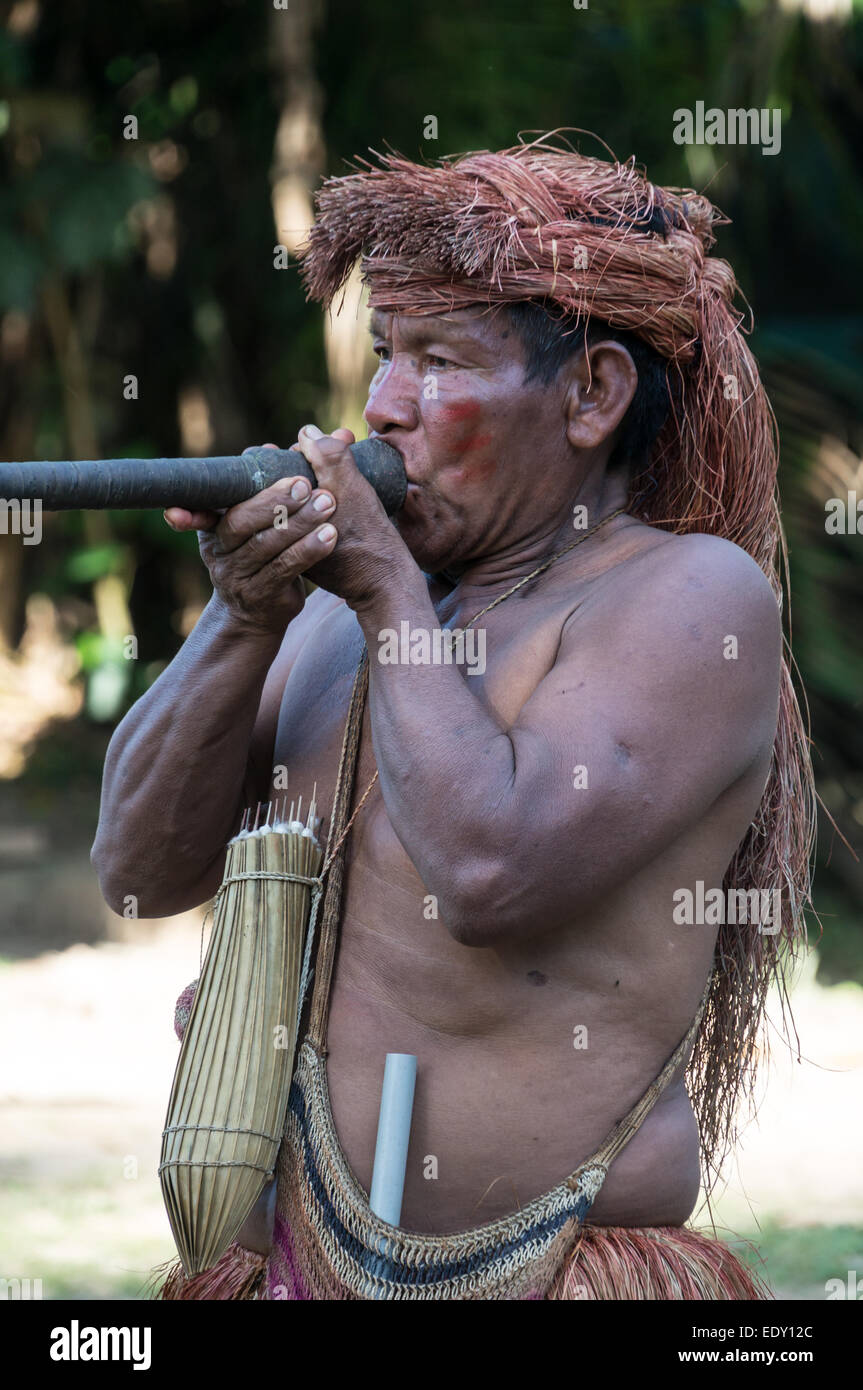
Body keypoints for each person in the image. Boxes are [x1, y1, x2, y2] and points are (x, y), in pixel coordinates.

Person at [92, 138, 814, 1300]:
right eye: (383, 356)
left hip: (558, 1274)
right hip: (281, 1263)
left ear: (590, 397)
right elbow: (135, 869)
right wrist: (240, 617)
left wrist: (381, 593)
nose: (380, 406)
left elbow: (489, 869)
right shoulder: (333, 615)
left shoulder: (687, 602)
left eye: (435, 363)